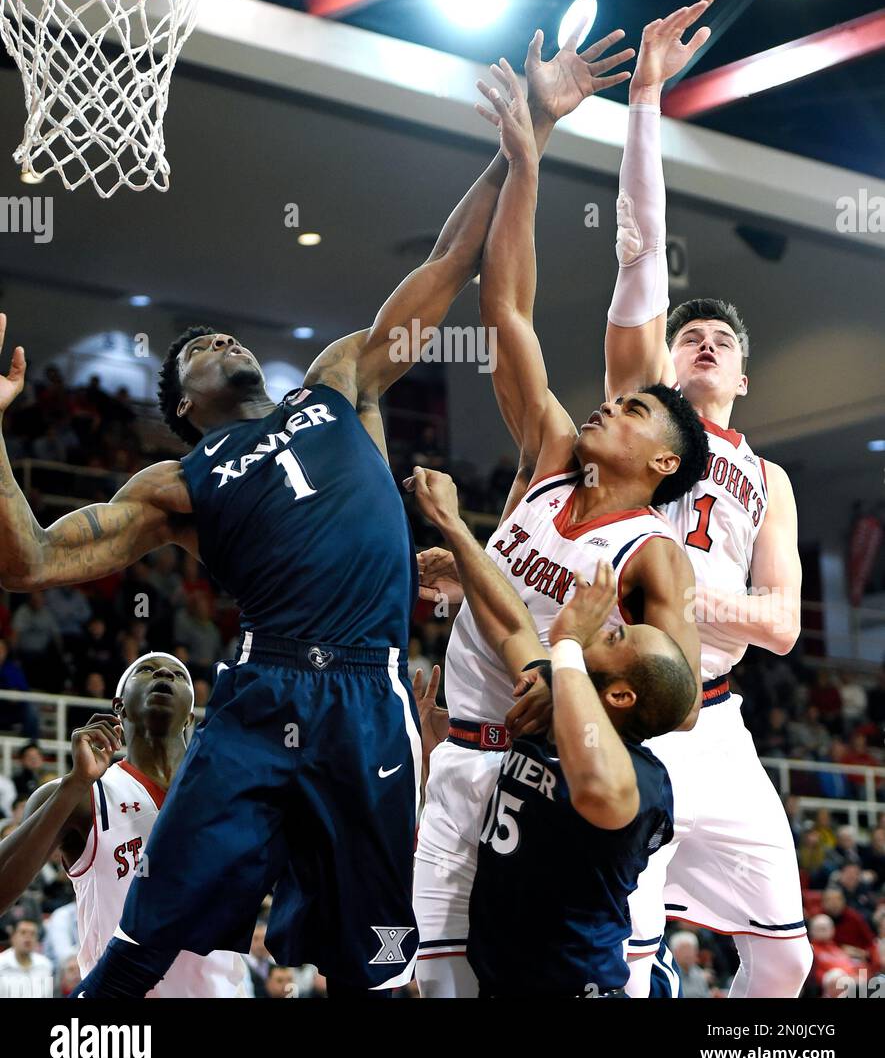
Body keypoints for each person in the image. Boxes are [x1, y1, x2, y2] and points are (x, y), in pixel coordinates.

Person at [0, 53, 585, 998]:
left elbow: (447, 263)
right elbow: (27, 561)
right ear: (184, 405)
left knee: (374, 962)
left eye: (222, 336)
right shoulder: (179, 479)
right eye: (194, 350)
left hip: (368, 691)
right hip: (259, 691)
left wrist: (531, 135)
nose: (218, 342)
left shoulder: (338, 384)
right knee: (151, 929)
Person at [413, 44, 707, 997]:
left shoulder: (653, 553)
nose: (604, 409)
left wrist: (563, 673)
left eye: (630, 411)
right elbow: (506, 308)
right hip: (450, 751)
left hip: (536, 792)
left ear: (662, 463)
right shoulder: (548, 463)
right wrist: (530, 159)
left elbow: (674, 696)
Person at [602, 0, 812, 998]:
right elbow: (640, 244)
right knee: (629, 957)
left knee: (787, 956)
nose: (705, 342)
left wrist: (699, 599)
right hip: (633, 701)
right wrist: (645, 100)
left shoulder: (768, 479)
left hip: (720, 719)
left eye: (723, 340)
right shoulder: (645, 413)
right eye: (691, 334)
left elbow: (780, 626)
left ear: (742, 377)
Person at [407, 466, 694, 998]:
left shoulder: (635, 781)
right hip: (503, 975)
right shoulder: (549, 718)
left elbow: (590, 784)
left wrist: (566, 643)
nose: (607, 626)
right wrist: (442, 749)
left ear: (621, 696)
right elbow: (513, 625)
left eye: (619, 637)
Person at [0, 652, 246, 996]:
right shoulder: (82, 795)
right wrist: (74, 783)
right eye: (146, 670)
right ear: (120, 706)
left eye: (178, 674)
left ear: (190, 716)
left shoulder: (227, 797)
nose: (163, 672)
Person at [0, 917, 54, 998]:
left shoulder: (45, 965)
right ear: (12, 937)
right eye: (23, 932)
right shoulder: (1, 964)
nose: (28, 938)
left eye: (32, 934)